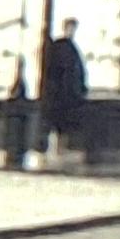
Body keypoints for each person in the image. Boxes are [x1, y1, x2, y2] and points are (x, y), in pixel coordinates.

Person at [39, 19, 88, 167]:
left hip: (66, 93)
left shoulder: (67, 47)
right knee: (59, 123)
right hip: (62, 94)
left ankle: (59, 148)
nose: (72, 31)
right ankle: (55, 149)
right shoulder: (62, 47)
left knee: (63, 123)